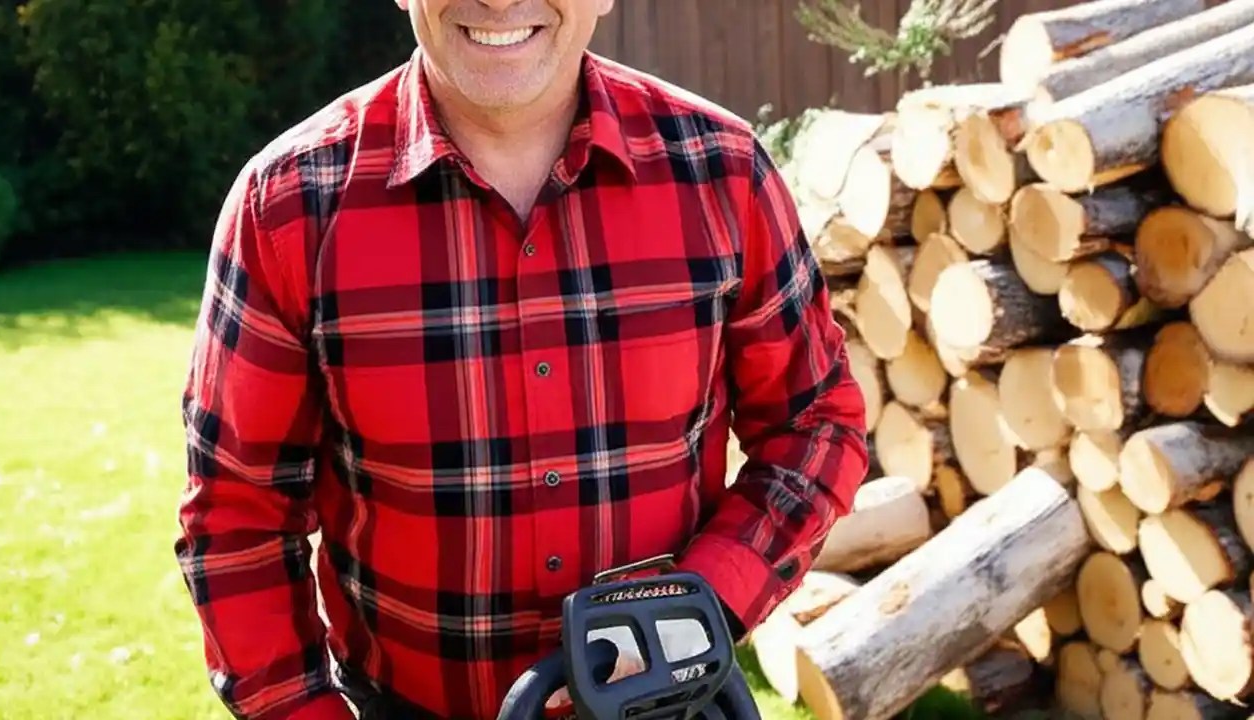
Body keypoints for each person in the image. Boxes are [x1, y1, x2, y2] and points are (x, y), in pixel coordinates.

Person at [173, 0, 869, 717]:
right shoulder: (287, 206)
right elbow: (237, 517)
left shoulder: (721, 173)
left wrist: (700, 609)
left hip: (671, 703)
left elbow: (816, 424)